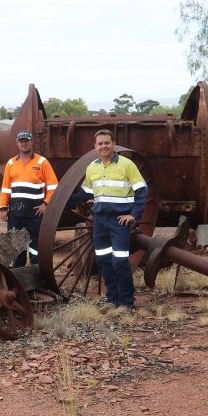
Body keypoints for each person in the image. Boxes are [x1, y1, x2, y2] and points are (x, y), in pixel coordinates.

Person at [69, 129, 148, 309]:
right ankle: (112, 299)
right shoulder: (92, 167)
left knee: (119, 261)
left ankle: (126, 303)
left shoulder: (126, 165)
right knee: (104, 260)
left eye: (107, 143)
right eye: (100, 143)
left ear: (113, 144)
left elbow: (142, 191)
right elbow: (86, 193)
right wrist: (64, 201)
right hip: (99, 221)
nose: (104, 146)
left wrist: (133, 215)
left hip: (119, 221)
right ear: (95, 146)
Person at [0, 130, 59, 267]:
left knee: (35, 247)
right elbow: (6, 188)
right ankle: (19, 276)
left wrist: (46, 204)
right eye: (21, 141)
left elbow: (53, 186)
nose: (24, 143)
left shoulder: (42, 162)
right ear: (17, 143)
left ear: (32, 142)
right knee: (16, 245)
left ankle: (35, 274)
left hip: (35, 213)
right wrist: (3, 208)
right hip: (15, 213)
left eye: (27, 140)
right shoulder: (11, 164)